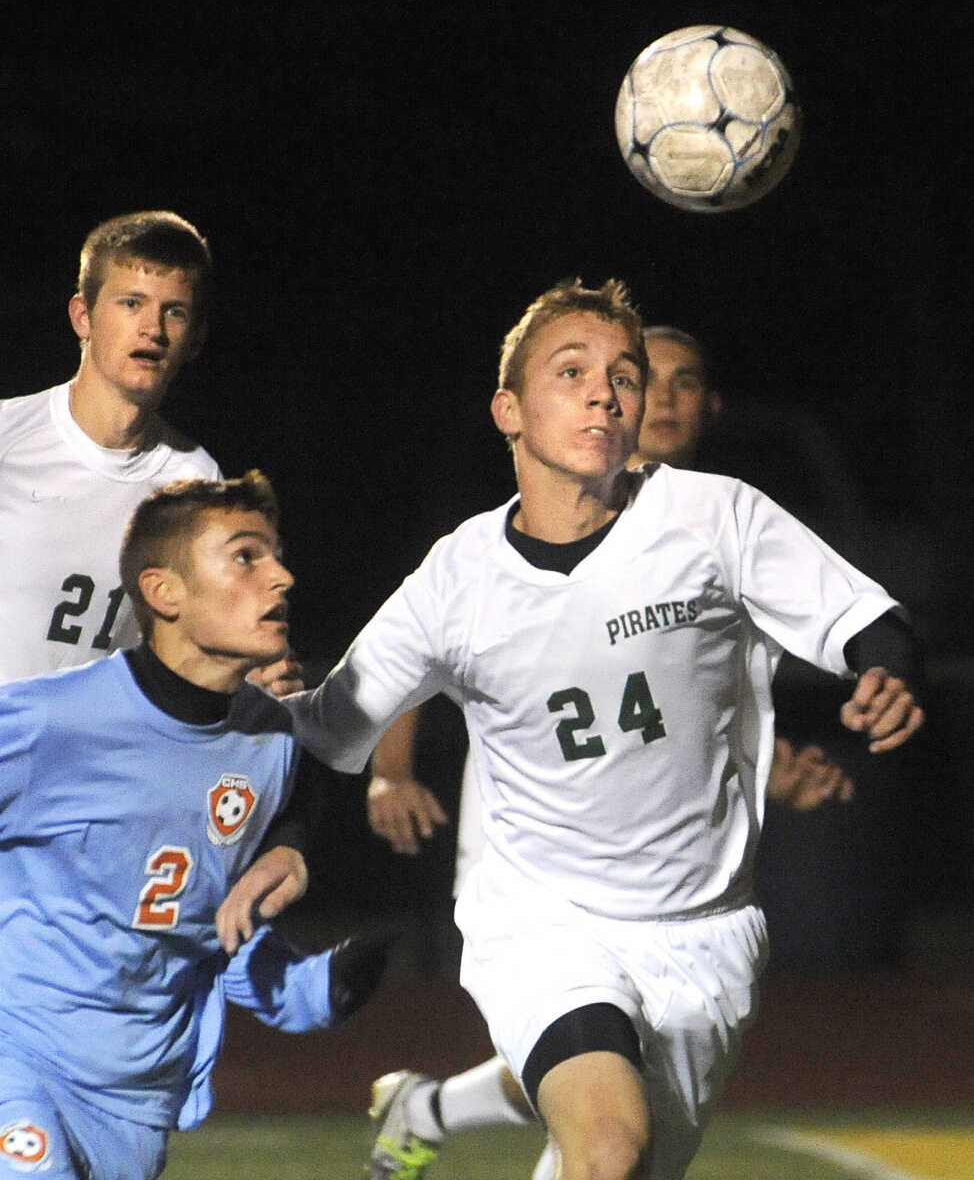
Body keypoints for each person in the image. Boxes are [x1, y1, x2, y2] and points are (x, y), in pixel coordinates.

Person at [277, 280, 923, 1180]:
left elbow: (865, 619)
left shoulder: (714, 516)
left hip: (705, 935)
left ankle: (432, 1111)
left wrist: (887, 669)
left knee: (609, 1163)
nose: (605, 395)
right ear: (508, 411)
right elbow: (321, 733)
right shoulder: (457, 577)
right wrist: (259, 751)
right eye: (572, 372)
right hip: (540, 920)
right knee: (610, 1146)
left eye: (624, 376)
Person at [0, 472, 388, 1180]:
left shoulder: (268, 744)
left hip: (138, 1102)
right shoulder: (56, 722)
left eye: (275, 555)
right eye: (245, 557)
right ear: (163, 592)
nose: (281, 577)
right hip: (17, 1060)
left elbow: (196, 915)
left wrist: (297, 989)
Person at [0, 209, 297, 695]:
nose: (153, 329)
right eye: (131, 303)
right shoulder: (7, 437)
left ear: (196, 338)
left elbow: (197, 644)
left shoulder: (195, 483)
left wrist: (251, 675)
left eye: (174, 311)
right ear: (83, 317)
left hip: (97, 743)